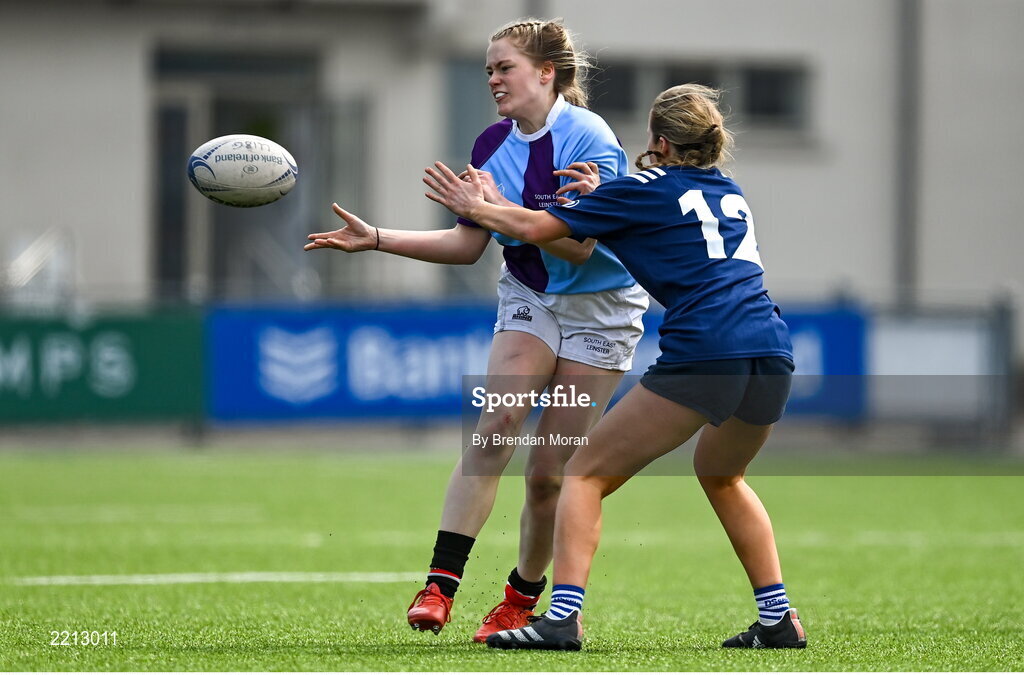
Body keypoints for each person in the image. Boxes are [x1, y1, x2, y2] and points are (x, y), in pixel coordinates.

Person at [423, 83, 807, 651]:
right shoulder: (729, 189)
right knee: (723, 475)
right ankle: (778, 618)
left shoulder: (636, 189)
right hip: (772, 347)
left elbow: (534, 229)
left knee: (582, 474)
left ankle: (562, 619)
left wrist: (474, 206)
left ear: (657, 140)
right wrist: (607, 194)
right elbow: (663, 221)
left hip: (708, 348)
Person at [305, 18, 648, 642]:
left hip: (602, 312)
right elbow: (468, 244)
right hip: (531, 299)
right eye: (488, 68)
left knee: (548, 476)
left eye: (504, 67)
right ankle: (440, 585)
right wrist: (378, 239)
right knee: (496, 423)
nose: (492, 78)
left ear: (546, 73)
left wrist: (489, 210)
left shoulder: (588, 137)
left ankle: (520, 598)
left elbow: (578, 246)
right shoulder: (493, 143)